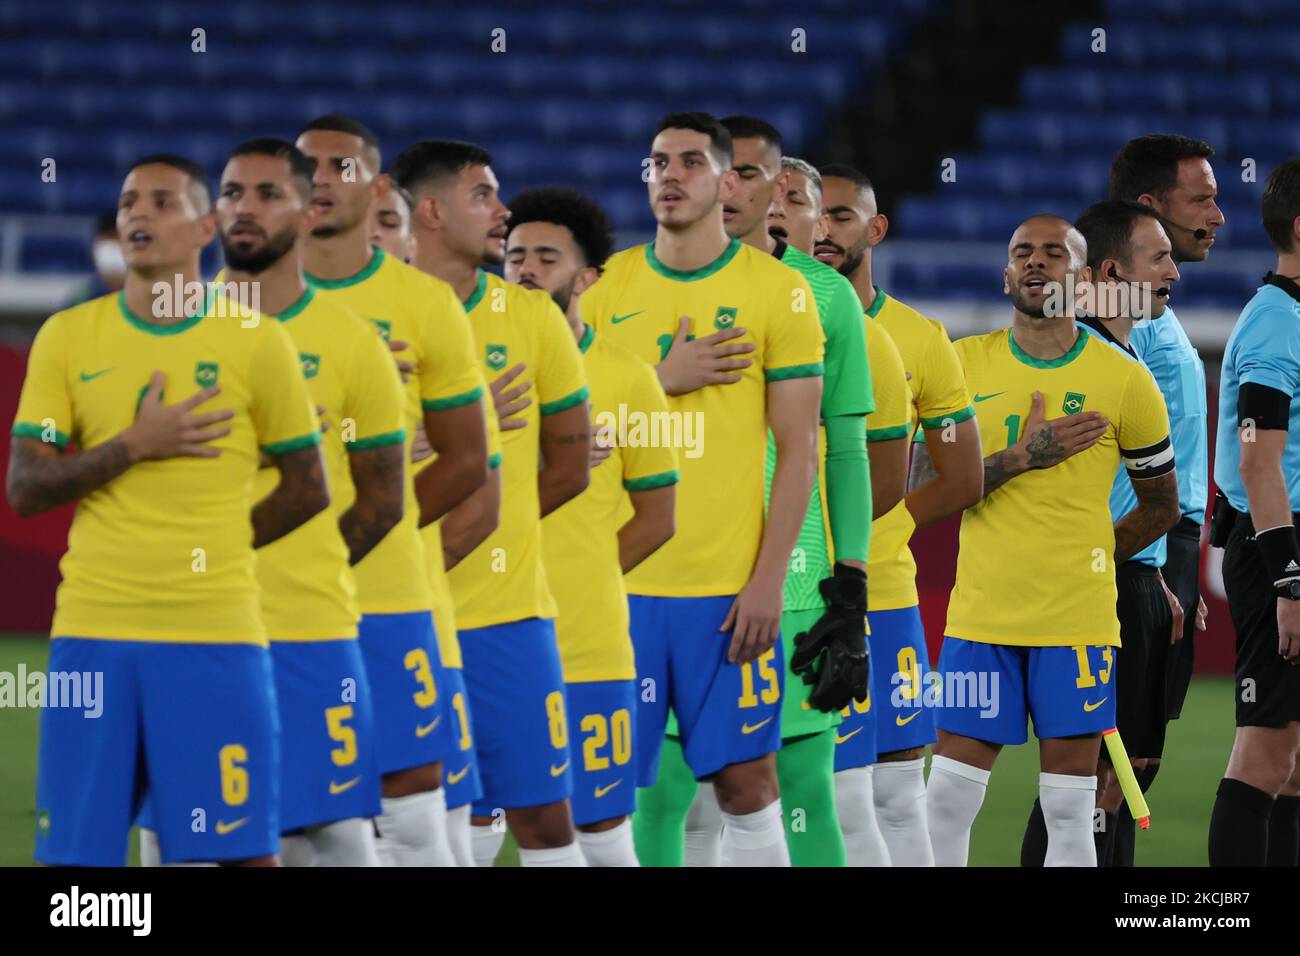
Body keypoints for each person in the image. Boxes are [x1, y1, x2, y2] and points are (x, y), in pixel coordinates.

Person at [10, 154, 328, 866]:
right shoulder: (69, 336)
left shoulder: (256, 341)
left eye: (161, 202)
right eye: (127, 203)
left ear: (206, 227)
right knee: (74, 864)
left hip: (215, 632)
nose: (136, 215)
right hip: (94, 631)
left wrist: (216, 550)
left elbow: (310, 487)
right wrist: (132, 446)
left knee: (241, 851)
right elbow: (26, 487)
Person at [579, 111, 825, 866]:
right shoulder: (604, 287)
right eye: (659, 162)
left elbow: (799, 450)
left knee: (748, 785)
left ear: (726, 181)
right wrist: (660, 381)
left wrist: (766, 585)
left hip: (727, 596)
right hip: (614, 587)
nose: (671, 175)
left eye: (691, 161)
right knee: (597, 792)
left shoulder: (778, 294)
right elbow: (570, 439)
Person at [635, 117, 873, 868]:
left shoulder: (825, 296)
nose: (728, 186)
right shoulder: (633, 283)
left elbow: (842, 450)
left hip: (792, 583)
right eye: (719, 170)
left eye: (745, 174)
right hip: (673, 573)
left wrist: (852, 581)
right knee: (662, 789)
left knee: (798, 784)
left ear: (778, 188)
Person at [922, 214, 1178, 867]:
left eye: (1055, 254)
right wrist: (1017, 459)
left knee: (1070, 808)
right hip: (981, 620)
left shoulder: (1125, 379)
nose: (1036, 263)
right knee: (947, 799)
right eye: (1022, 253)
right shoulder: (957, 365)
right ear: (1006, 273)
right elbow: (920, 488)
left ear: (1085, 279)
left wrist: (1087, 557)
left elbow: (1161, 506)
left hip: (1077, 625)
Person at [297, 115, 491, 866]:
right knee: (301, 810)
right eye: (305, 167)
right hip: (272, 598)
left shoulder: (426, 304)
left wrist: (377, 523)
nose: (318, 180)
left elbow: (467, 461)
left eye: (339, 167)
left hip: (391, 590)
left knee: (414, 809)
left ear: (379, 187)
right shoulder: (231, 298)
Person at [393, 139, 592, 867]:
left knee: (543, 822)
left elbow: (572, 466)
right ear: (433, 212)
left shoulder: (532, 319)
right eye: (484, 195)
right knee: (401, 821)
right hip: (393, 614)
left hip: (506, 617)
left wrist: (491, 522)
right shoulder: (369, 315)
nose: (503, 211)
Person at [506, 185, 679, 866]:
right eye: (514, 255)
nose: (524, 269)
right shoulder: (467, 367)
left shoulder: (631, 378)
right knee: (470, 826)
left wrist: (583, 578)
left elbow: (658, 517)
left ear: (587, 279)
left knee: (600, 837)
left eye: (545, 257)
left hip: (590, 643)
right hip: (482, 631)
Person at [819, 164, 983, 864]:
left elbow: (964, 474)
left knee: (897, 792)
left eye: (841, 217)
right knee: (820, 792)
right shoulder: (780, 321)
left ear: (875, 228)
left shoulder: (920, 337)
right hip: (797, 593)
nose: (824, 231)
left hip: (884, 594)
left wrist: (885, 525)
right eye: (812, 215)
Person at [1019, 200, 1180, 866]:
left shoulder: (1129, 360)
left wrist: (1151, 573)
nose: (1173, 270)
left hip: (1127, 580)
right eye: (1158, 256)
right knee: (1082, 779)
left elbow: (1155, 503)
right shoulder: (1080, 367)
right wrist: (1098, 563)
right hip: (1094, 593)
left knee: (1115, 779)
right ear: (1114, 270)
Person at [1208, 157, 1300, 867]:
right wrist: (1288, 583)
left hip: (1279, 544)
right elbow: (1256, 461)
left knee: (1294, 761)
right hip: (1282, 549)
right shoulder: (1275, 325)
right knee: (1266, 755)